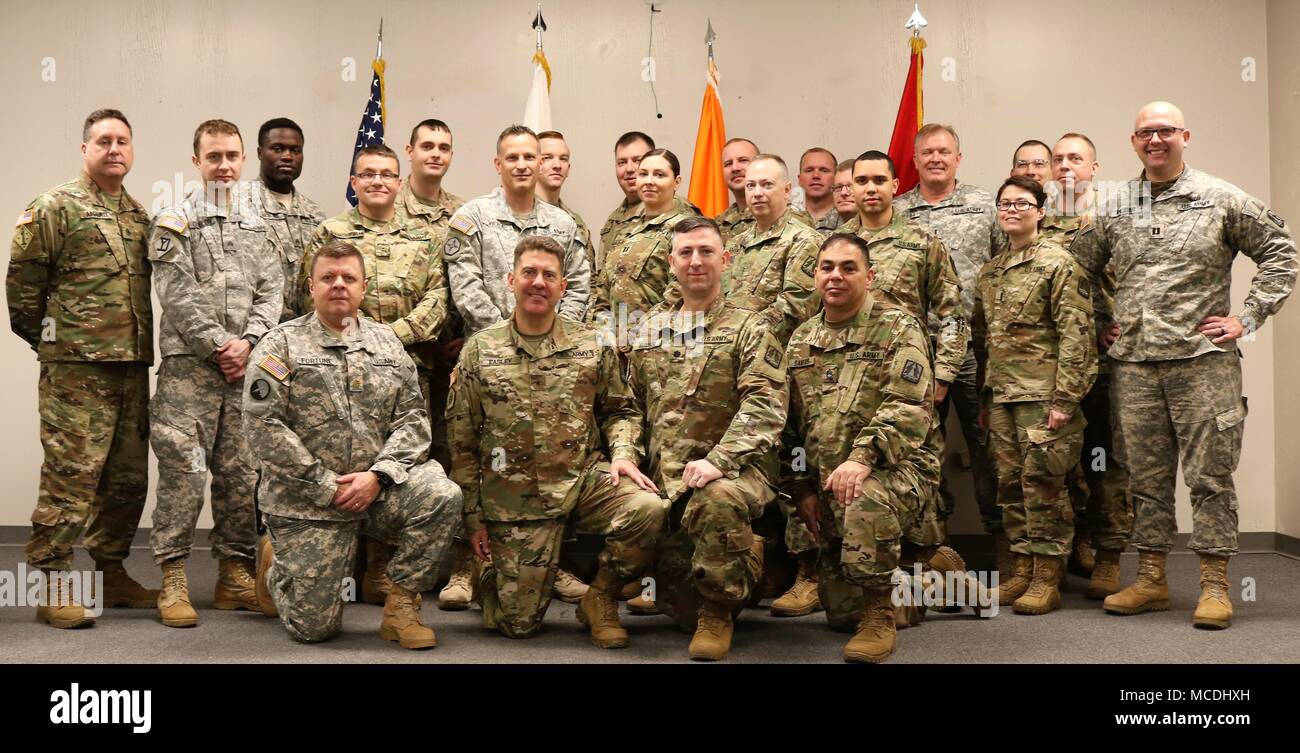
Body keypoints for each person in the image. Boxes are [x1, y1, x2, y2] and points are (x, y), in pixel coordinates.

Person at [1071, 101, 1297, 629]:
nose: (1156, 140)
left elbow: (1280, 252)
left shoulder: (1219, 198)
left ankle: (1215, 585)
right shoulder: (1115, 205)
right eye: (1146, 132)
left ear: (1185, 136)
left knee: (1210, 476)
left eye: (1165, 131)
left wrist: (1249, 317)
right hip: (1135, 365)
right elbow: (1077, 267)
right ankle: (1150, 578)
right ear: (1133, 142)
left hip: (1202, 364)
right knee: (1144, 478)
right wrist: (1104, 318)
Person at [446, 236, 666, 646]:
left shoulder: (591, 344)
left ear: (563, 287)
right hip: (514, 497)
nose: (538, 282)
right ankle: (492, 572)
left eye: (549, 275)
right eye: (529, 273)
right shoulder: (480, 350)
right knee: (516, 626)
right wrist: (474, 518)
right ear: (510, 280)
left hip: (582, 479)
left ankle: (600, 598)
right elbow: (462, 441)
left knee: (648, 508)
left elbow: (621, 410)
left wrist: (621, 454)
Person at [247, 240, 462, 648]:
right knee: (313, 629)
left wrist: (378, 476)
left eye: (349, 278)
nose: (339, 285)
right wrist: (326, 485)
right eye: (328, 277)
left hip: (377, 489)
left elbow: (413, 420)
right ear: (311, 287)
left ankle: (401, 607)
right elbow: (263, 426)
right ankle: (278, 563)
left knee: (442, 496)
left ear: (364, 288)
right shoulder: (280, 345)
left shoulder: (387, 344)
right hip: (307, 500)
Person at [6, 108, 156, 628]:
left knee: (127, 480)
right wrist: (57, 345)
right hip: (76, 371)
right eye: (104, 141)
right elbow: (22, 291)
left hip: (132, 367)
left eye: (123, 141)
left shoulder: (139, 217)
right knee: (71, 477)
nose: (115, 149)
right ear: (85, 148)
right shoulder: (54, 207)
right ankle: (52, 582)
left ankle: (111, 573)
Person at [625, 216, 787, 660]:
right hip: (667, 480)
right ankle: (745, 562)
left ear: (726, 260)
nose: (696, 261)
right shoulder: (648, 330)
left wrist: (721, 459)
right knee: (675, 608)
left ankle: (717, 612)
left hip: (732, 475)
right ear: (671, 262)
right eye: (686, 253)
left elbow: (766, 405)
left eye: (707, 252)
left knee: (717, 500)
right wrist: (624, 457)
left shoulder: (750, 328)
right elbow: (628, 408)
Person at [301, 143, 451, 607]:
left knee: (395, 465)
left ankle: (382, 568)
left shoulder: (426, 237)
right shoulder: (331, 231)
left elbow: (438, 297)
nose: (377, 182)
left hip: (407, 369)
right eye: (367, 174)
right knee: (348, 457)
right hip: (338, 371)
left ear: (399, 181)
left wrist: (392, 338)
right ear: (353, 182)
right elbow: (313, 294)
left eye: (386, 174)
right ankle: (342, 560)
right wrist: (360, 339)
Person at [148, 119, 283, 627]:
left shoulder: (259, 226)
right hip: (190, 372)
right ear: (196, 161)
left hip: (243, 370)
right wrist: (218, 345)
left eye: (232, 156)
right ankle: (173, 576)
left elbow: (273, 290)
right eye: (214, 157)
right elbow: (176, 294)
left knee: (239, 473)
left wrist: (248, 344)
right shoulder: (173, 221)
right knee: (184, 472)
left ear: (244, 159)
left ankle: (234, 574)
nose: (224, 166)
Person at [782, 233, 937, 663]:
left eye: (848, 268)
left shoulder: (897, 327)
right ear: (815, 275)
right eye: (827, 267)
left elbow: (908, 408)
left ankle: (879, 617)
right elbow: (789, 429)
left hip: (896, 467)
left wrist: (861, 459)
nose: (836, 276)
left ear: (869, 276)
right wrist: (801, 489)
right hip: (829, 480)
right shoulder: (801, 340)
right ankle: (929, 580)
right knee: (838, 614)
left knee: (864, 498)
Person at [839, 150, 970, 588]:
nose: (870, 189)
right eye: (862, 180)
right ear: (851, 187)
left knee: (915, 472)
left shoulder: (921, 242)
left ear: (896, 186)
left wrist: (944, 376)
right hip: (848, 382)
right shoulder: (837, 246)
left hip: (909, 384)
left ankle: (930, 566)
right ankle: (874, 574)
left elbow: (951, 314)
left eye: (879, 180)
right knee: (858, 472)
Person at [974, 176, 1097, 615]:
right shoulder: (990, 271)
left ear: (1041, 211)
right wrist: (987, 398)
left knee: (1043, 485)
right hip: (1003, 397)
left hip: (1044, 397)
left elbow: (1077, 336)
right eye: (1004, 203)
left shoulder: (1058, 264)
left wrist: (1065, 401)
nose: (1011, 210)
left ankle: (1048, 576)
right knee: (1009, 486)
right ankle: (1022, 569)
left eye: (1022, 203)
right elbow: (983, 339)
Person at [893, 123, 1002, 553]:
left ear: (959, 157)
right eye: (927, 153)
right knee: (919, 449)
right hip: (916, 348)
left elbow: (1004, 265)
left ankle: (1004, 548)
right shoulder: (897, 211)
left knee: (988, 448)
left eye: (944, 151)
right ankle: (933, 548)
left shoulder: (984, 206)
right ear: (915, 160)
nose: (936, 158)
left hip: (976, 347)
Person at [1042, 132, 1133, 598]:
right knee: (1061, 459)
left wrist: (1121, 324)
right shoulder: (1039, 221)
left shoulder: (1114, 217)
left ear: (1094, 168)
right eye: (1057, 160)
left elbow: (1145, 279)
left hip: (1105, 360)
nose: (1064, 167)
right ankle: (1070, 546)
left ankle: (1109, 555)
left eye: (1075, 159)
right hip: (1050, 361)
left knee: (1107, 457)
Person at [394, 118, 476, 610]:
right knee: (407, 459)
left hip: (463, 357)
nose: (436, 153)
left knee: (460, 455)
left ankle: (462, 567)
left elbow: (472, 278)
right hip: (410, 360)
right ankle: (397, 568)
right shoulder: (386, 209)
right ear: (410, 151)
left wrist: (467, 338)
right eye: (427, 145)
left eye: (444, 146)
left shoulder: (466, 214)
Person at [444, 125, 589, 338]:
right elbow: (466, 289)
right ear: (498, 164)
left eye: (529, 157)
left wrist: (556, 335)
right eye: (512, 158)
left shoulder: (563, 223)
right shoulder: (472, 218)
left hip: (554, 355)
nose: (521, 166)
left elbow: (577, 287)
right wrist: (506, 338)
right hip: (491, 353)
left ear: (540, 164)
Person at [590, 149, 696, 321]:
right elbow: (602, 291)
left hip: (660, 339)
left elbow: (681, 294)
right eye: (643, 174)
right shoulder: (625, 230)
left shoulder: (686, 230)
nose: (649, 181)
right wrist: (604, 330)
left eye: (659, 175)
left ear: (676, 182)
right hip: (614, 341)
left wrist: (640, 333)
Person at [248, 117, 324, 322]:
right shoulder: (238, 208)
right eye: (278, 149)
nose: (287, 156)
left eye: (295, 150)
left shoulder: (315, 215)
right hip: (255, 333)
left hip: (308, 337)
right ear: (259, 153)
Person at [716, 138, 760, 244]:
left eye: (743, 160)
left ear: (759, 165)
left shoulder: (782, 215)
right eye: (728, 163)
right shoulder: (717, 225)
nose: (735, 168)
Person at [798, 148, 844, 233]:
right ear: (799, 179)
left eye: (824, 170)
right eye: (809, 170)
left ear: (836, 178)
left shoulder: (849, 218)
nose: (816, 175)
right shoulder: (782, 217)